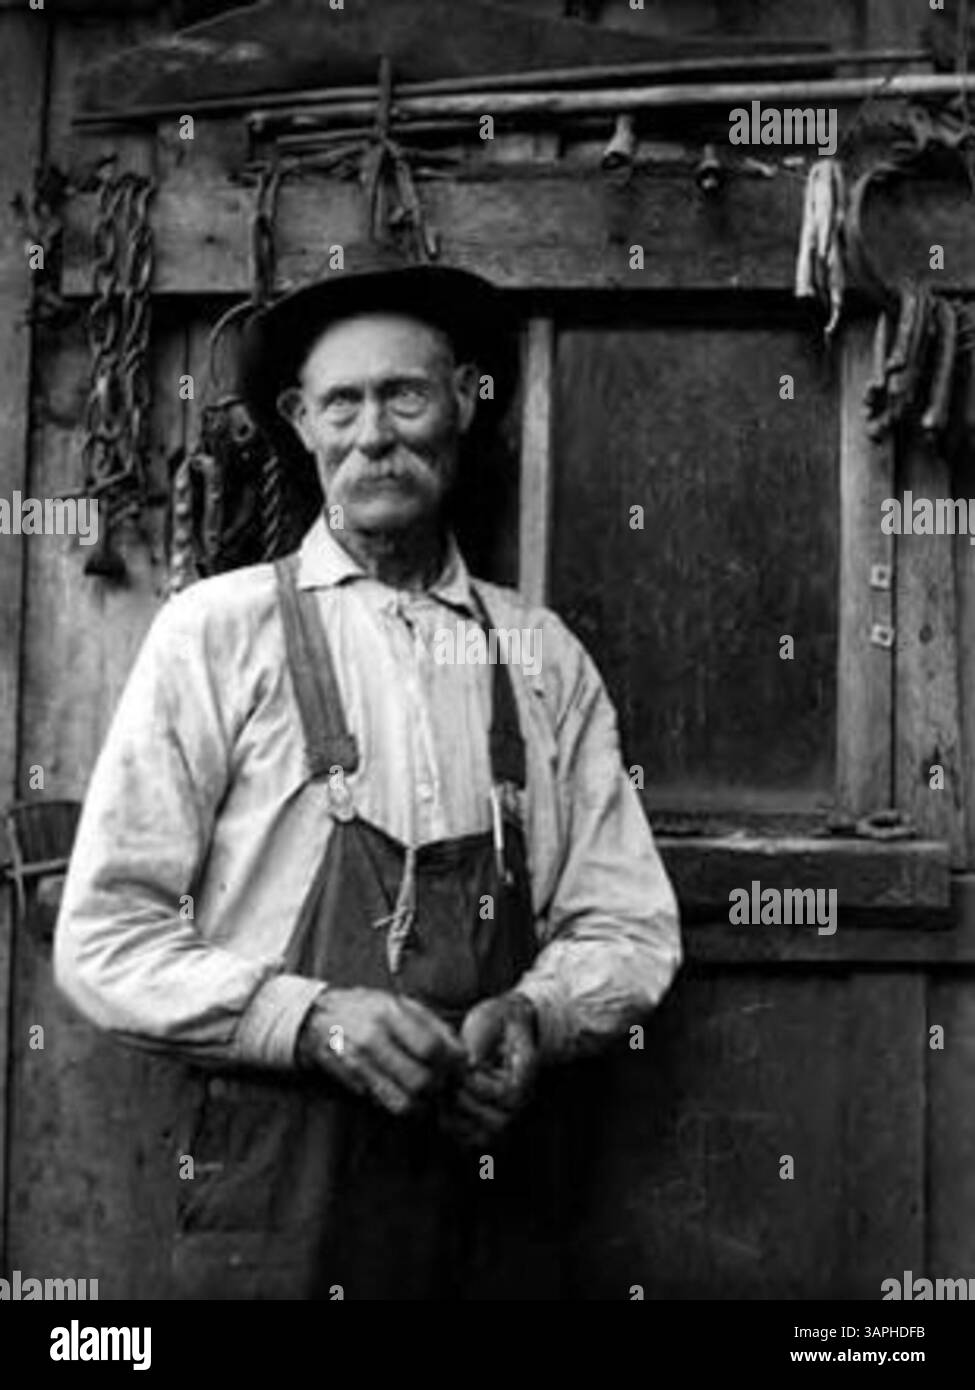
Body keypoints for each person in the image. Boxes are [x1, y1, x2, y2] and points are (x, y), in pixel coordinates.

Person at [54, 247, 682, 1300]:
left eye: (404, 395)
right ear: (301, 423)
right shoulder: (215, 632)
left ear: (464, 409)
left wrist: (534, 1016)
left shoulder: (542, 654)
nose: (375, 433)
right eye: (341, 404)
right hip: (277, 1190)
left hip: (491, 1189)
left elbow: (630, 925)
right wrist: (309, 1018)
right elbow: (105, 937)